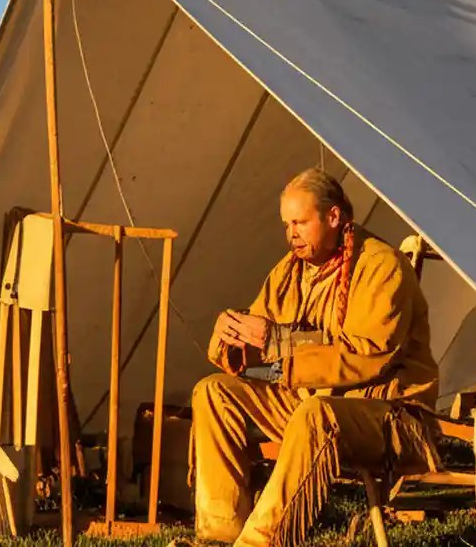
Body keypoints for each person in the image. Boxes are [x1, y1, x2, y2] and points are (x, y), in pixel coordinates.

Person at [189, 168, 440, 547]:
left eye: (300, 222)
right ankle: (218, 537)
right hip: (309, 405)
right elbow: (261, 348)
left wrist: (277, 342)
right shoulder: (288, 273)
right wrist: (231, 336)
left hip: (390, 414)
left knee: (316, 413)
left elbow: (365, 354)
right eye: (287, 223)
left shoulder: (381, 267)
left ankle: (258, 543)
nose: (291, 233)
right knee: (213, 391)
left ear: (334, 217)